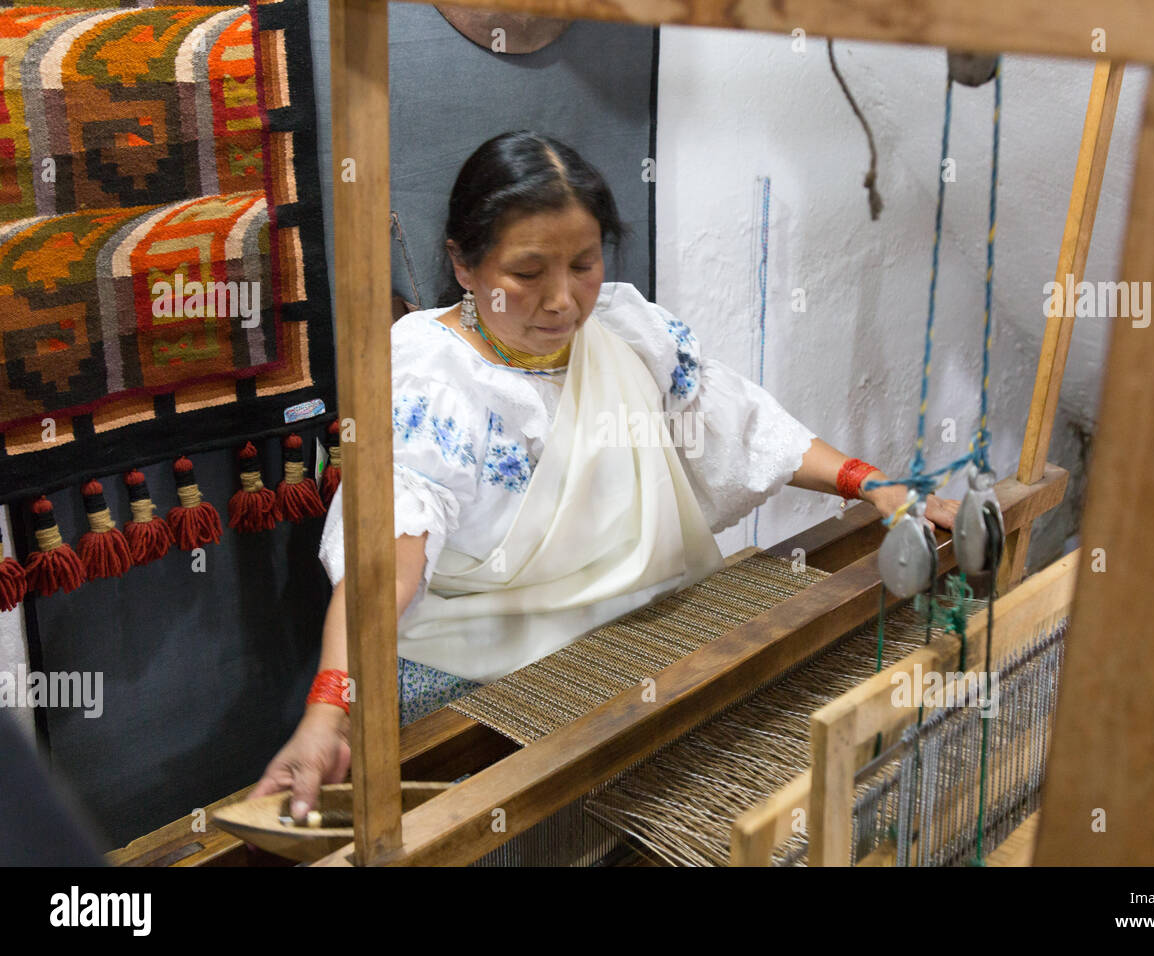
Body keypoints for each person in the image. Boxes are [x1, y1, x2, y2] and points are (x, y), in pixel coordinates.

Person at [252, 130, 958, 820]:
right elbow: (384, 556)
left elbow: (737, 424)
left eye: (583, 264)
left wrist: (874, 485)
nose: (562, 300)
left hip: (631, 638)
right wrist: (328, 709)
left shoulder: (625, 333)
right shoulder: (431, 376)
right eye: (527, 275)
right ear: (464, 265)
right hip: (482, 680)